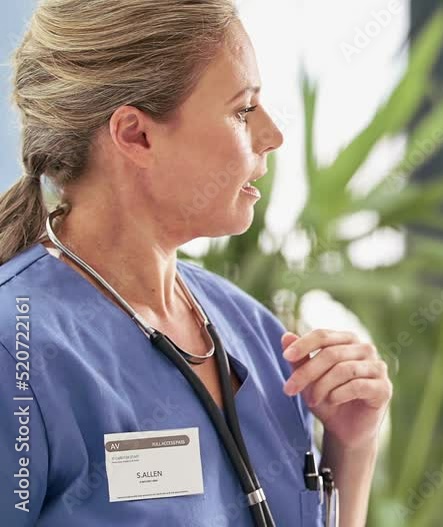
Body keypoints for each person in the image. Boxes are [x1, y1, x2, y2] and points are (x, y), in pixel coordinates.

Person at [0, 1, 391, 525]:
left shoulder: (258, 338)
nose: (272, 134)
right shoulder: (17, 353)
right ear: (136, 135)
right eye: (243, 109)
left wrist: (353, 447)